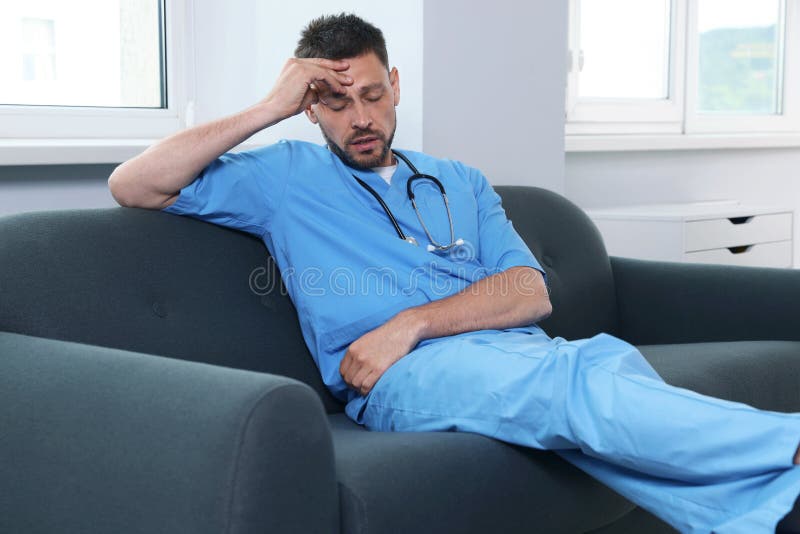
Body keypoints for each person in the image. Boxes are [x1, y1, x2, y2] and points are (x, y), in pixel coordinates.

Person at [108, 13, 800, 533]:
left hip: (486, 350)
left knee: (603, 365)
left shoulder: (456, 181)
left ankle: (755, 513)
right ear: (311, 107)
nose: (361, 119)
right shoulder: (284, 179)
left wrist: (410, 322)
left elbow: (529, 292)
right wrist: (268, 108)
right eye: (338, 104)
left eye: (374, 95)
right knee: (572, 379)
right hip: (398, 380)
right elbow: (135, 185)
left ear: (396, 83)